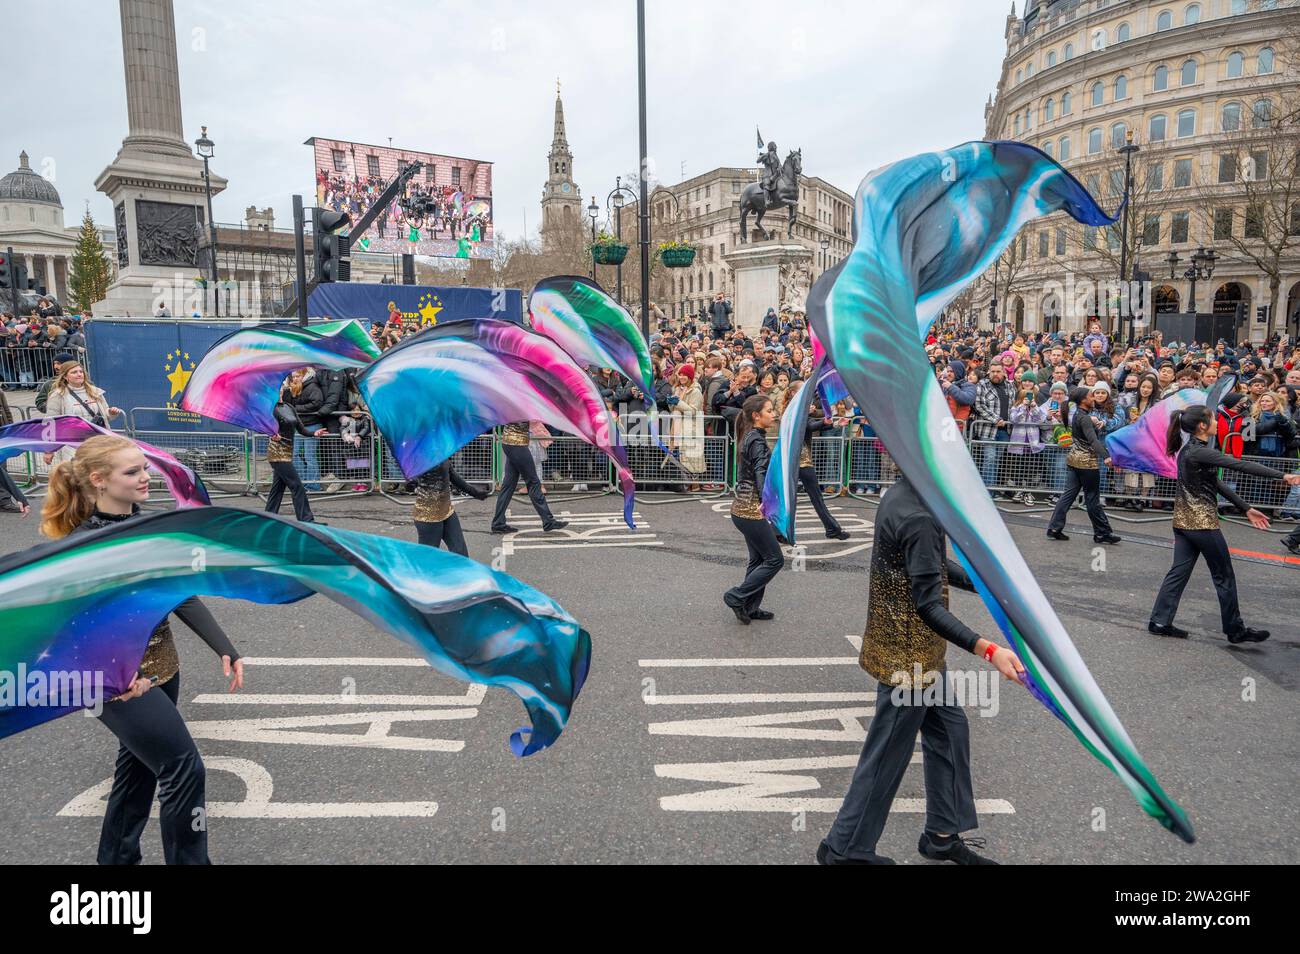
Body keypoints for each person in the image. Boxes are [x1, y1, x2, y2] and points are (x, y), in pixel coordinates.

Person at [40, 434, 244, 864]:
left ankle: (116, 858)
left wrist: (223, 646)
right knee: (183, 768)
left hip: (163, 668)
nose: (145, 477)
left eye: (144, 468)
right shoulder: (83, 545)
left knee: (138, 771)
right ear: (99, 480)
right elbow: (67, 625)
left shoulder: (149, 525)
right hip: (116, 682)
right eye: (132, 471)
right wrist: (117, 671)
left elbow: (177, 591)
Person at [818, 475, 1024, 866]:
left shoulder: (903, 492)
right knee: (886, 756)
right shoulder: (920, 515)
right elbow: (929, 605)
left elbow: (928, 565)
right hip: (908, 662)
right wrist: (990, 650)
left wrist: (984, 583)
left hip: (916, 651)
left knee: (949, 733)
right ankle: (843, 849)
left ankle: (941, 836)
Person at [1149, 405, 1300, 642]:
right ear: (1202, 426)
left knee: (1178, 572)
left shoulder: (1190, 450)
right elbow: (1240, 465)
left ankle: (1160, 621)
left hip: (1183, 523)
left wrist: (1246, 508)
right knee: (1224, 576)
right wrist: (1283, 475)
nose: (1218, 423)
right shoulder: (1199, 452)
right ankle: (1235, 630)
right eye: (1213, 419)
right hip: (1202, 525)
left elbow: (1215, 483)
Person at [724, 394, 783, 623]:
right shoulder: (756, 440)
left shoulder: (749, 435)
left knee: (758, 560)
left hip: (742, 508)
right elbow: (760, 471)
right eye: (769, 411)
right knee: (775, 559)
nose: (773, 414)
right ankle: (736, 595)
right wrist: (766, 501)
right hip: (751, 511)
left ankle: (749, 607)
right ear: (756, 416)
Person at [1046, 387, 1120, 543]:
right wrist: (1106, 456)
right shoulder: (1084, 418)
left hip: (1073, 460)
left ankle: (1054, 528)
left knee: (1068, 495)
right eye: (1091, 396)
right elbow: (1093, 441)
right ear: (1083, 400)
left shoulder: (1079, 415)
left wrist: (1094, 422)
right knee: (1092, 499)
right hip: (1087, 464)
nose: (1094, 398)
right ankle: (1102, 533)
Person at [782, 382, 849, 539]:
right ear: (793, 393)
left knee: (815, 496)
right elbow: (808, 425)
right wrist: (822, 421)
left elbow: (811, 424)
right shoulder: (791, 410)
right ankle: (779, 531)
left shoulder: (801, 409)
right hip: (794, 458)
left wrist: (834, 423)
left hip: (801, 458)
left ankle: (832, 529)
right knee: (788, 497)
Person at [490, 421, 568, 534]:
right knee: (533, 482)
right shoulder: (521, 408)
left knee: (508, 485)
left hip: (509, 442)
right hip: (518, 444)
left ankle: (498, 523)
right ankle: (548, 521)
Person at [42, 363, 123, 466]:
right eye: (74, 372)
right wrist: (48, 450)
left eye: (81, 371)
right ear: (65, 376)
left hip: (98, 442)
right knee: (78, 472)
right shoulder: (58, 395)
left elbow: (105, 414)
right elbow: (51, 423)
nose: (79, 374)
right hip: (72, 445)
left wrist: (111, 412)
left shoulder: (95, 391)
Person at [265, 396, 326, 523]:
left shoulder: (289, 406)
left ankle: (268, 517)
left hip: (288, 452)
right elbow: (262, 425)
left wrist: (313, 433)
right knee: (297, 486)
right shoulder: (270, 407)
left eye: (281, 387)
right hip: (277, 454)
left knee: (277, 489)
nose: (279, 390)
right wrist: (271, 434)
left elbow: (301, 428)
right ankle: (306, 520)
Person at [413, 459, 489, 556]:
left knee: (461, 555)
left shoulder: (442, 453)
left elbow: (452, 475)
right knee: (427, 561)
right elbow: (412, 476)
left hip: (447, 511)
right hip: (428, 516)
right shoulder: (421, 456)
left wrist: (474, 492)